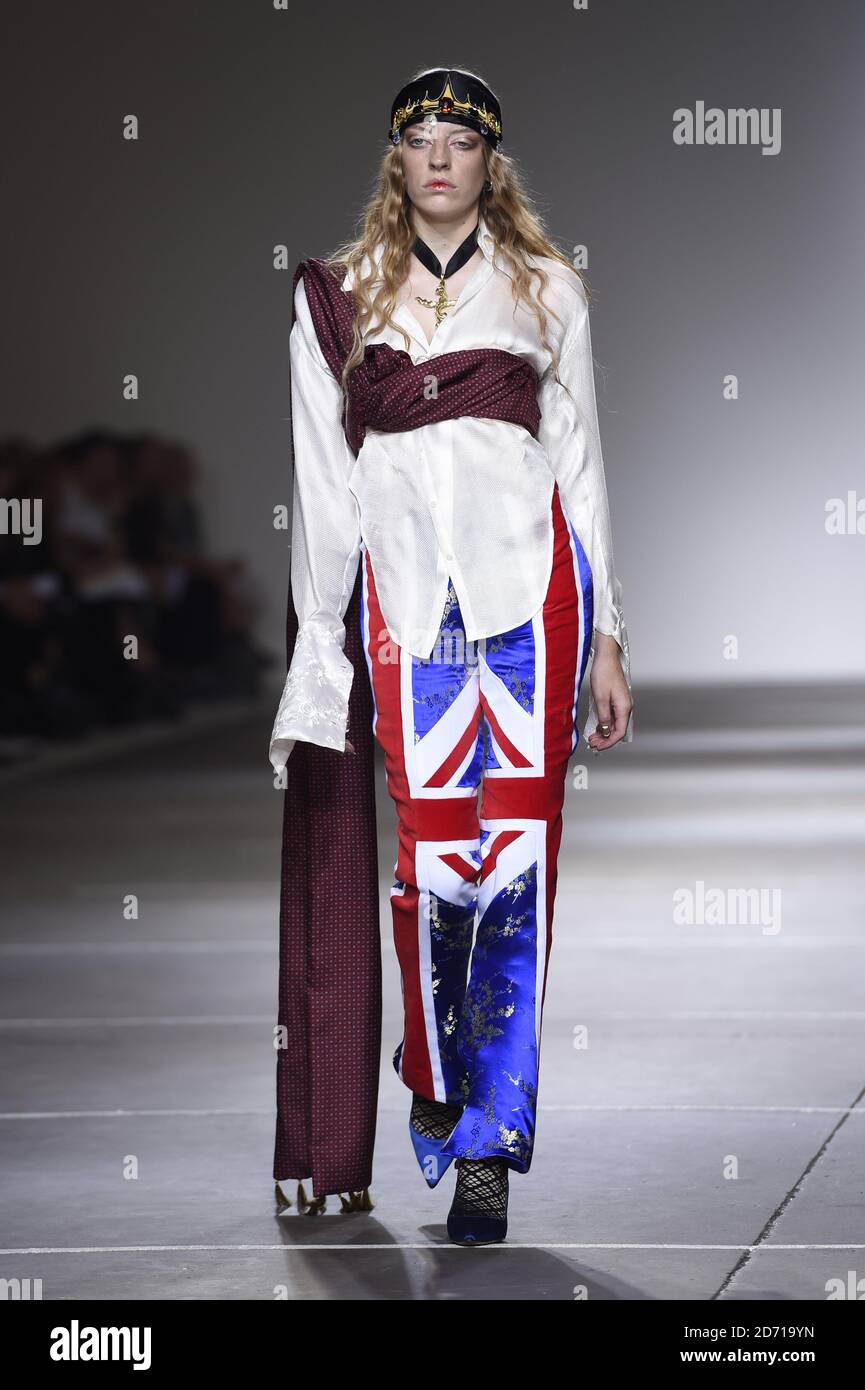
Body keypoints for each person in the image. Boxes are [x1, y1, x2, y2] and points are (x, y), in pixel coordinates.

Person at [269, 65, 634, 1246]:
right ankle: (435, 1070)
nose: (437, 156)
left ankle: (489, 1145)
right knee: (433, 863)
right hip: (407, 612)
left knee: (517, 864)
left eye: (459, 139)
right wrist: (319, 648)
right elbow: (325, 492)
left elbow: (581, 471)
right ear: (396, 159)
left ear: (490, 160)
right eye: (417, 137)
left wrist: (610, 635)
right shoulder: (337, 299)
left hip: (534, 605)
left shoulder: (548, 290)